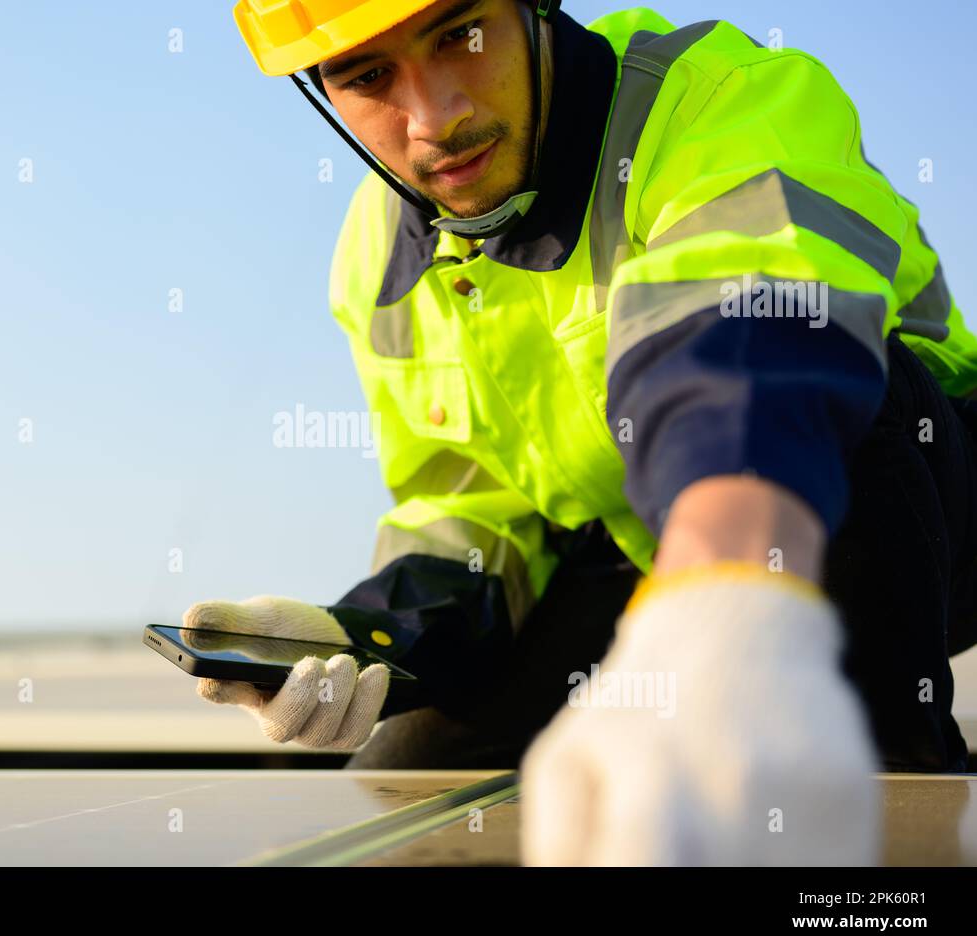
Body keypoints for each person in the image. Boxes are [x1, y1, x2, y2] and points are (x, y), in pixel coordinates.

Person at [186, 0, 977, 864]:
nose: (435, 117)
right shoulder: (374, 260)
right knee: (419, 769)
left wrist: (726, 599)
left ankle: (890, 816)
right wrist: (363, 633)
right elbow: (472, 515)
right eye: (368, 76)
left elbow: (757, 336)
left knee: (833, 403)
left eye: (460, 35)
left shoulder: (714, 97)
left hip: (913, 507)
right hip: (649, 561)